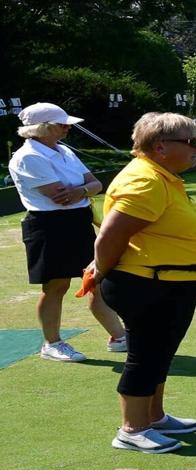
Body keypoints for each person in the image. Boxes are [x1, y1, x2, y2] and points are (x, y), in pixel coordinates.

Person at [87, 112, 196, 453]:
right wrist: (99, 271)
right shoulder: (145, 181)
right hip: (145, 284)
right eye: (191, 143)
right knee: (145, 356)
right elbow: (110, 238)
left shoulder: (162, 176)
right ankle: (132, 429)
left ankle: (154, 416)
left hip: (169, 283)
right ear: (160, 147)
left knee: (160, 353)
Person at [7, 102, 129, 362]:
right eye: (62, 125)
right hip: (48, 226)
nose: (67, 129)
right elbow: (60, 196)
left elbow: (95, 184)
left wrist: (82, 191)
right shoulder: (28, 156)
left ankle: (119, 337)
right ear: (44, 128)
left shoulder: (64, 151)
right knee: (56, 286)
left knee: (97, 280)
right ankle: (52, 344)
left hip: (77, 222)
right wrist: (84, 190)